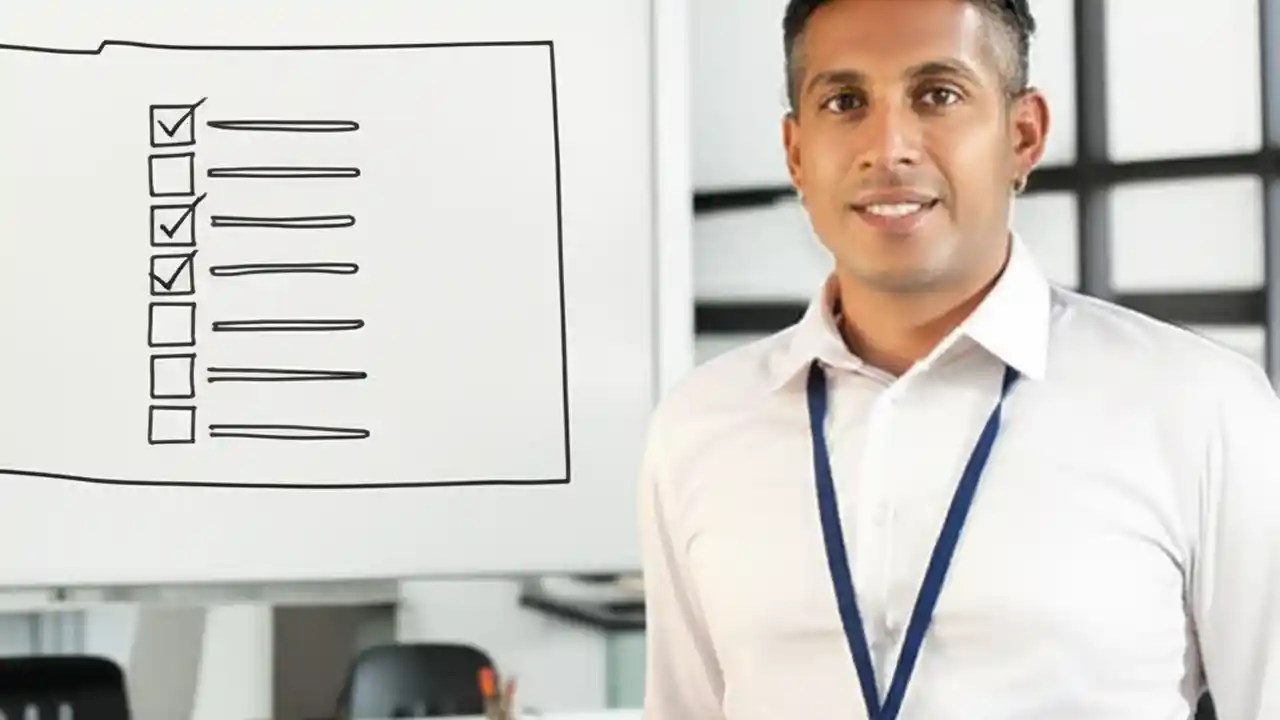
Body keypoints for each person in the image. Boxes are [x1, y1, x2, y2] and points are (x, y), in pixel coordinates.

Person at [638, 0, 1280, 718]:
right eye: (845, 101)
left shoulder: (1200, 405)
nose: (888, 147)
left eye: (937, 95)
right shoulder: (700, 425)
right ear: (795, 152)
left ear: (1024, 134)